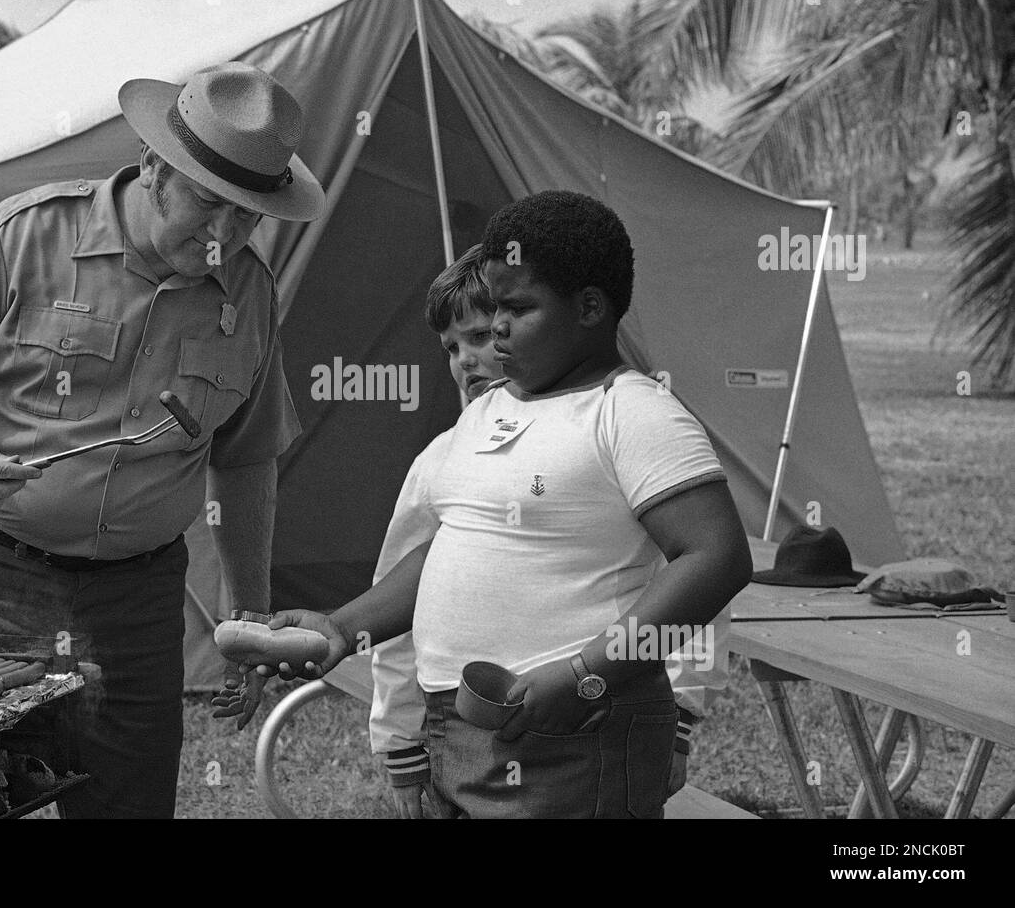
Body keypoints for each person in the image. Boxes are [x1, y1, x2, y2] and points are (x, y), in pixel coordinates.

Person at [0, 62, 324, 818]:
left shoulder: (250, 293)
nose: (223, 236)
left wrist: (251, 614)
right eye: (208, 205)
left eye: (246, 216)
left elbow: (246, 459)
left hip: (138, 603)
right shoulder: (27, 235)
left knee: (128, 804)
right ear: (153, 167)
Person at [267, 191, 752, 818]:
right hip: (457, 724)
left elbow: (715, 557)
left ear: (589, 308)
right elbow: (444, 552)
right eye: (493, 307)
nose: (496, 326)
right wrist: (342, 627)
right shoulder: (485, 416)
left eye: (518, 308)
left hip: (580, 727)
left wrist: (587, 673)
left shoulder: (631, 412)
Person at [369, 242, 731, 817]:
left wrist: (681, 714)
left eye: (485, 334)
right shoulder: (442, 456)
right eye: (451, 347)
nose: (468, 358)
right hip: (451, 728)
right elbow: (407, 588)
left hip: (582, 722)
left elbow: (698, 580)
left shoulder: (622, 420)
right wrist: (398, 736)